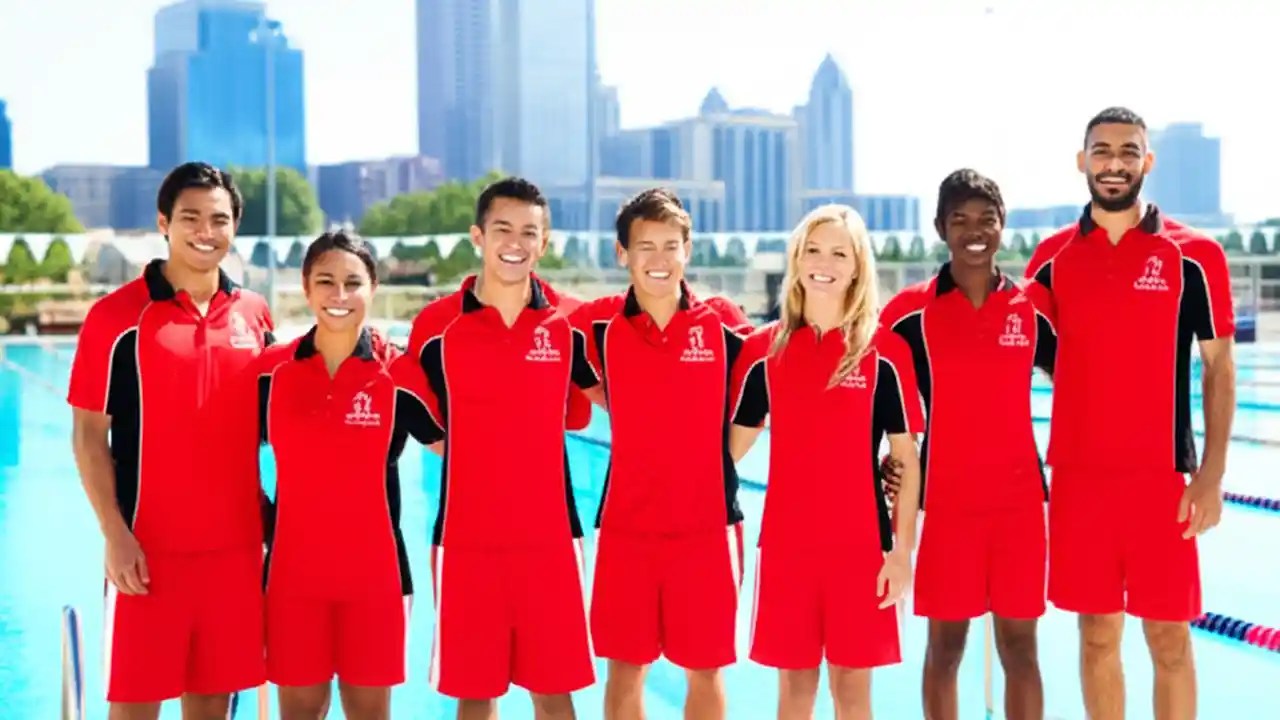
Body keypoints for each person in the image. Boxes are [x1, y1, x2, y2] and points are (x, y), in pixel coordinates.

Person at [1025, 106, 1236, 720]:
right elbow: (1020, 349)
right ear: (1082, 161)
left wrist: (1211, 476)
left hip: (1162, 479)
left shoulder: (1194, 256)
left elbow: (1220, 368)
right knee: (1096, 634)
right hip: (1081, 481)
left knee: (1168, 635)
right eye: (1101, 151)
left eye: (1127, 151)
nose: (1113, 163)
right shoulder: (1050, 259)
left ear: (1147, 161)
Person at [67, 162, 273, 719]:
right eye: (191, 218)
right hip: (147, 556)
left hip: (235, 556)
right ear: (164, 222)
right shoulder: (115, 318)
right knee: (135, 706)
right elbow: (88, 434)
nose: (205, 231)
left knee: (210, 705)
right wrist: (115, 534)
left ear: (235, 228)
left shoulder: (254, 316)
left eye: (219, 219)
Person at [398, 177, 597, 720]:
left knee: (555, 692)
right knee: (475, 692)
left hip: (552, 539)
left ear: (545, 242)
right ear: (477, 236)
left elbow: (614, 399)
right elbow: (424, 423)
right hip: (466, 541)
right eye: (503, 229)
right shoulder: (436, 327)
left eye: (529, 232)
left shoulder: (570, 325)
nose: (515, 242)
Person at [726, 204, 922, 720]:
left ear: (857, 265)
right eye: (813, 250)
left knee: (853, 692)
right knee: (794, 692)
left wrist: (902, 553)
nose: (824, 263)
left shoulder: (884, 351)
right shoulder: (764, 351)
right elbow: (729, 452)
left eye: (839, 252)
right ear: (796, 259)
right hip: (789, 549)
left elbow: (907, 455)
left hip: (862, 549)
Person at [567, 187, 752, 720]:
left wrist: (716, 463)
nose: (660, 259)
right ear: (622, 253)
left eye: (671, 245)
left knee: (706, 667)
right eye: (646, 246)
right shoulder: (597, 325)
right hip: (628, 525)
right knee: (627, 666)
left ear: (688, 250)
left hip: (708, 528)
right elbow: (578, 377)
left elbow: (756, 400)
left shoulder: (723, 322)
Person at [879, 170, 1055, 720]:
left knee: (1020, 650)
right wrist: (883, 463)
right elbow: (878, 406)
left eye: (987, 219)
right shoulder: (908, 315)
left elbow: (1083, 382)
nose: (974, 231)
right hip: (946, 507)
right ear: (940, 227)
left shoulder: (1035, 306)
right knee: (945, 650)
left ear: (1003, 227)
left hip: (1021, 506)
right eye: (960, 220)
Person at [246, 231, 440, 719]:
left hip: (375, 581)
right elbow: (226, 456)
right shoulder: (270, 373)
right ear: (306, 288)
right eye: (326, 281)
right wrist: (258, 509)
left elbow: (458, 450)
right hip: (293, 580)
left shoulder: (398, 373)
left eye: (352, 282)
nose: (339, 295)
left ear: (372, 288)